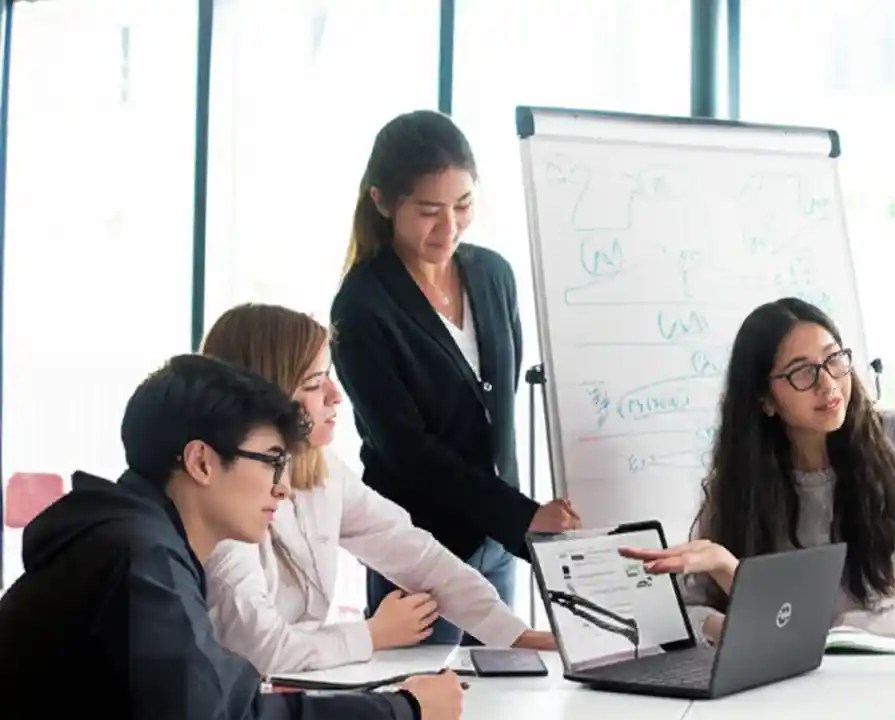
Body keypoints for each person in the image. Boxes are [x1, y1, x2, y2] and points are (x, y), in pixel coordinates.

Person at [0, 354, 464, 719]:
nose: (282, 486)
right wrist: (405, 708)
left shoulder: (134, 539)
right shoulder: (140, 559)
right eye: (271, 460)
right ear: (201, 461)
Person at [622, 297, 895, 655]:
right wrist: (728, 627)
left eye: (834, 359)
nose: (828, 384)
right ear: (764, 399)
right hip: (803, 683)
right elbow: (692, 607)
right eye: (803, 372)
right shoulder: (745, 486)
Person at [331, 109, 580, 645]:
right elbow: (407, 450)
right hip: (421, 545)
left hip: (498, 534)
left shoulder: (493, 274)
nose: (449, 228)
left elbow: (495, 407)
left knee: (503, 692)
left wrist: (514, 516)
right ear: (381, 201)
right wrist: (521, 515)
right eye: (428, 211)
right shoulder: (361, 307)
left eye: (463, 205)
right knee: (433, 695)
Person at [201, 303, 556, 675]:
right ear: (261, 397)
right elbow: (261, 650)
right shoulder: (226, 502)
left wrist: (512, 633)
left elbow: (410, 549)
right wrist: (373, 633)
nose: (335, 395)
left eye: (329, 376)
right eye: (312, 384)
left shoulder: (321, 471)